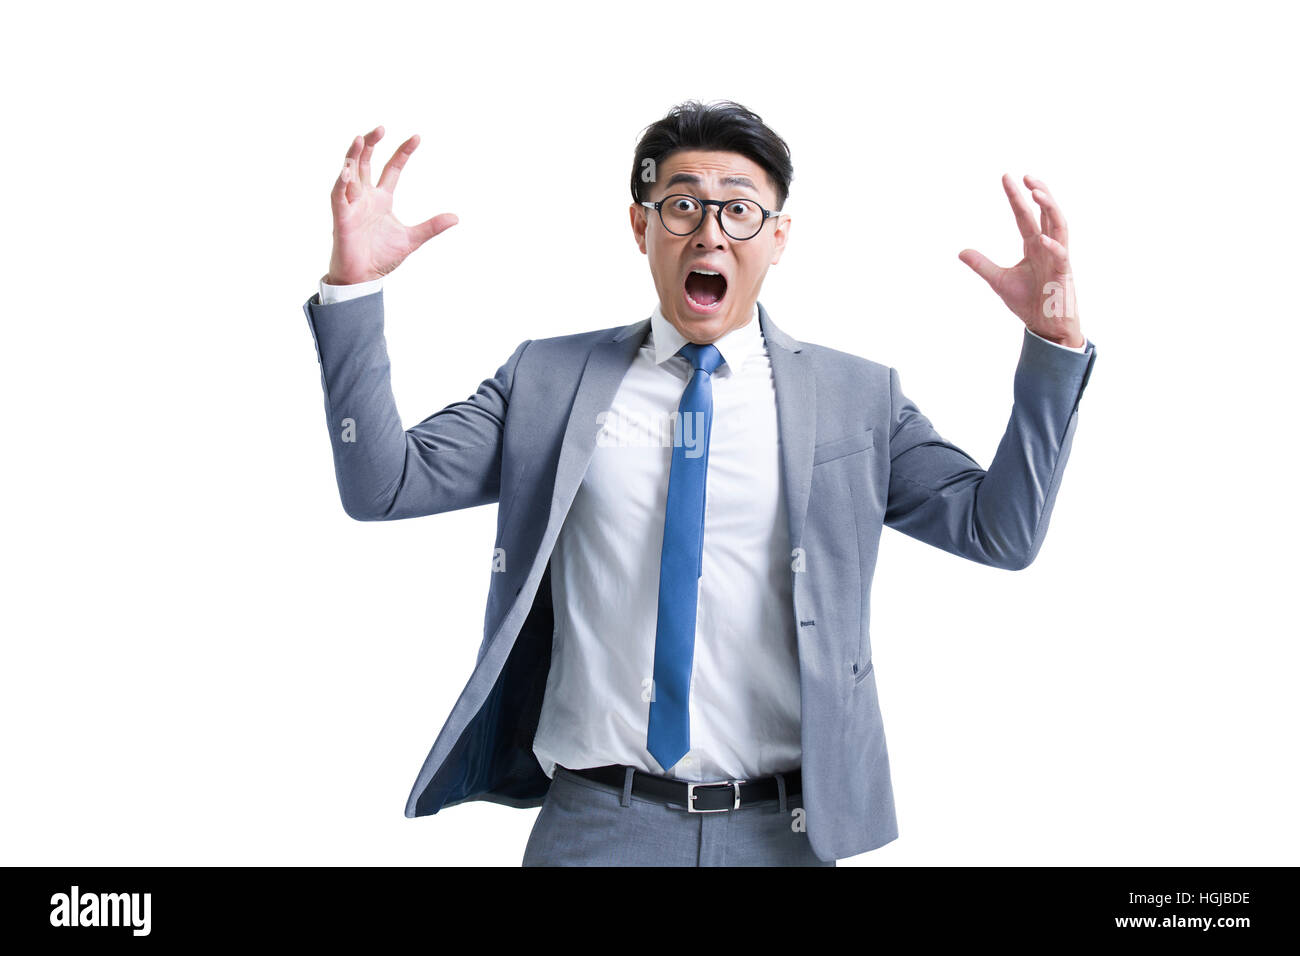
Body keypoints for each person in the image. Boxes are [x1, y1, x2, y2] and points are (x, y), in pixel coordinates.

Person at [300, 100, 1096, 866]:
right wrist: (354, 292)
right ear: (641, 225)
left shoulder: (858, 399)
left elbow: (1003, 532)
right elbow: (384, 486)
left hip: (785, 833)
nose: (709, 231)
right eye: (680, 205)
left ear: (779, 237)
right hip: (595, 827)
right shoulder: (547, 379)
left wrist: (1053, 342)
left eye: (739, 211)